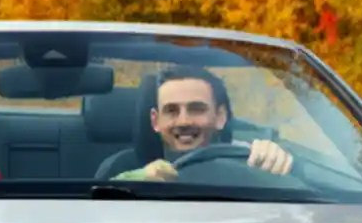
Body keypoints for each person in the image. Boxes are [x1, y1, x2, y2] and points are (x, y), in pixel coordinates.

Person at [113, 65, 294, 181]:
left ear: (220, 117)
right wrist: (139, 180)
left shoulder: (247, 160)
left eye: (196, 109)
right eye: (171, 110)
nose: (183, 121)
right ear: (155, 120)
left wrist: (273, 158)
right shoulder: (121, 168)